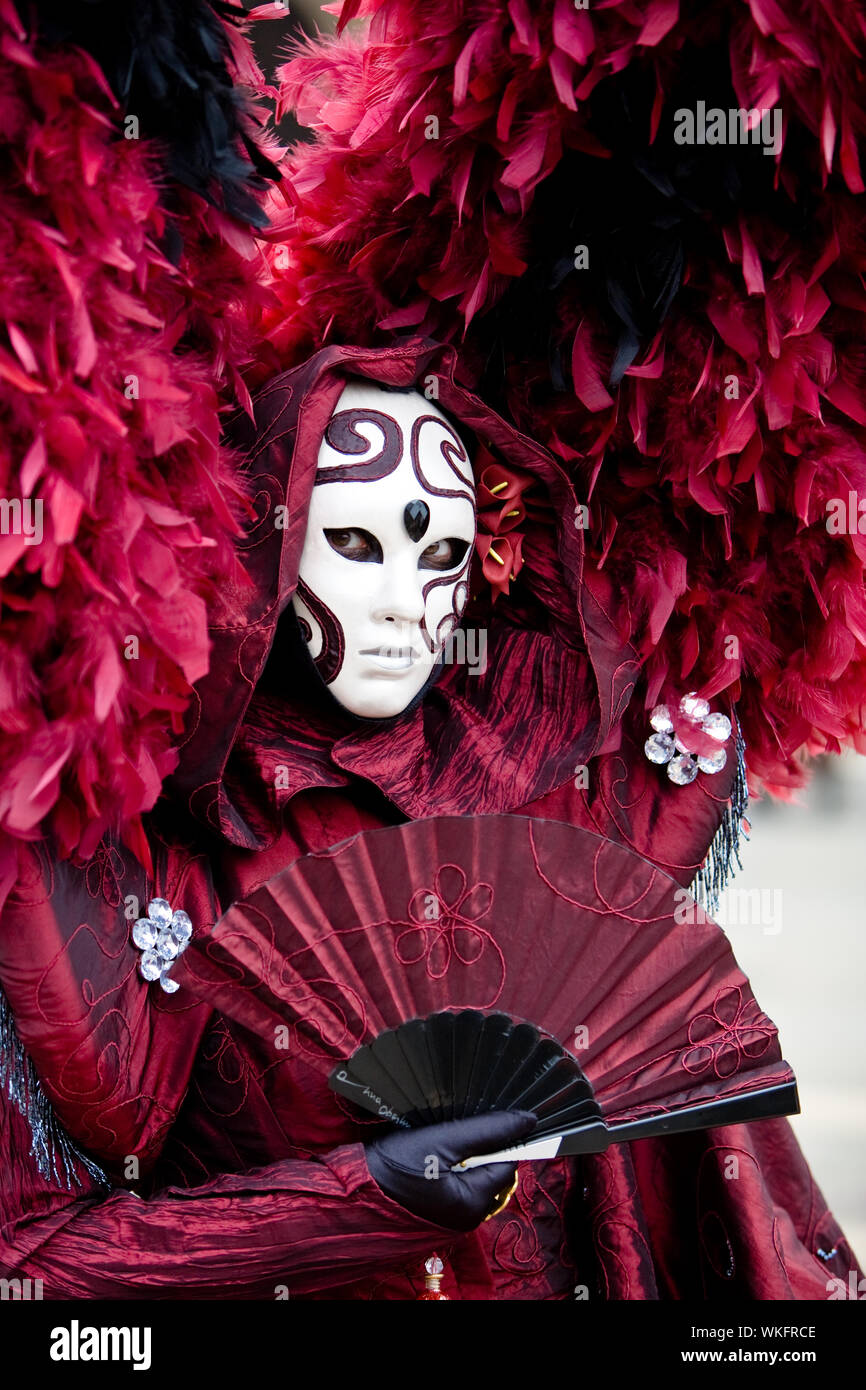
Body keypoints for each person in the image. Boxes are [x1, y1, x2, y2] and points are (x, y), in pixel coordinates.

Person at [0, 338, 857, 1299]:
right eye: (356, 546)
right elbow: (35, 1269)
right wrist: (364, 1200)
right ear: (264, 547)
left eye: (442, 553)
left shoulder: (538, 785)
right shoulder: (150, 841)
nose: (408, 606)